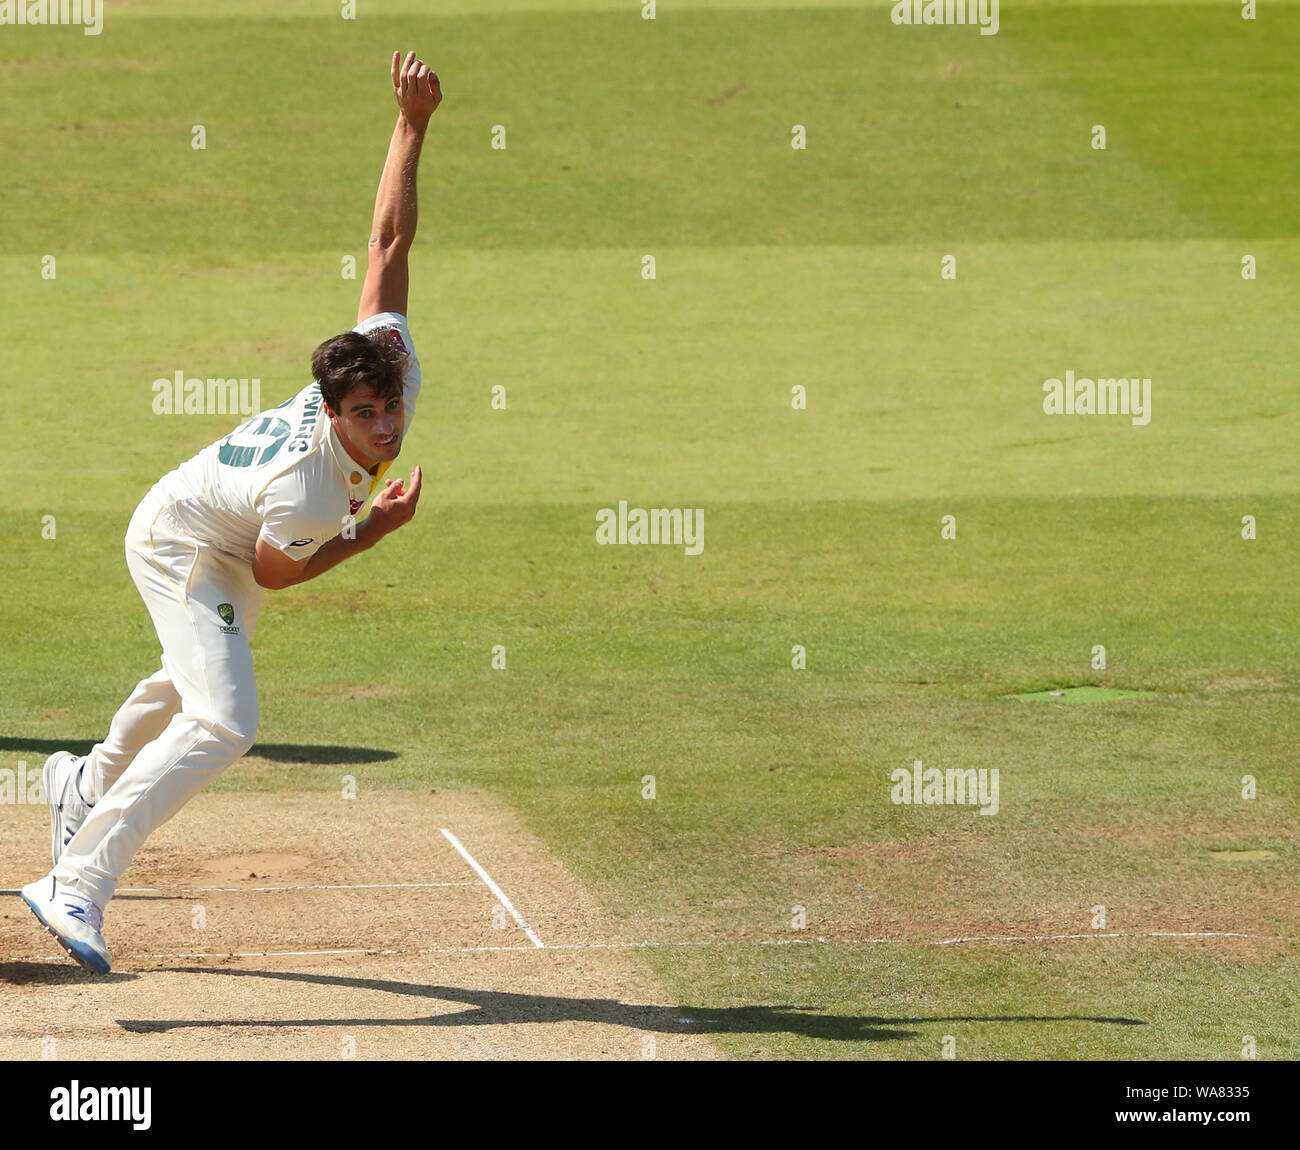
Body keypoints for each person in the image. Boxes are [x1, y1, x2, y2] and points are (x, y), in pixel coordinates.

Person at [22, 50, 443, 974]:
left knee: (191, 680)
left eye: (390, 407)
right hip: (184, 541)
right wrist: (375, 529)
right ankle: (77, 884)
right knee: (226, 720)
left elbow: (386, 247)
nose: (384, 425)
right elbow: (275, 570)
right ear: (330, 412)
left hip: (220, 528)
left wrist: (411, 126)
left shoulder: (386, 357)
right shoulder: (310, 487)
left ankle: (80, 787)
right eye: (364, 415)